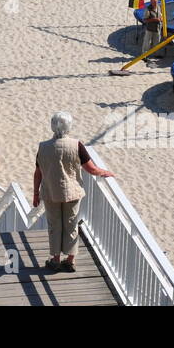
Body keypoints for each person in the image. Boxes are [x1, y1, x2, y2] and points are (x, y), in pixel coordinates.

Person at [33, 111, 113, 273]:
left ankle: (55, 259)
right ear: (69, 127)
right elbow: (91, 169)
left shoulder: (43, 146)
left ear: (52, 126)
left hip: (50, 191)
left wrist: (36, 193)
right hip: (71, 191)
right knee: (71, 224)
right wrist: (105, 172)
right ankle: (70, 260)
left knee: (54, 225)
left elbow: (38, 172)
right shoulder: (76, 145)